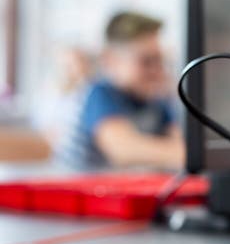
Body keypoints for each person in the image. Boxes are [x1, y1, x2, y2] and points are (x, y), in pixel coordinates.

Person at [59, 11, 185, 170]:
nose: (157, 70)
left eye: (160, 61)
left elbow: (179, 140)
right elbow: (123, 150)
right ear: (112, 60)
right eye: (146, 61)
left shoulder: (156, 101)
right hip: (80, 183)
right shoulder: (100, 93)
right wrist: (185, 153)